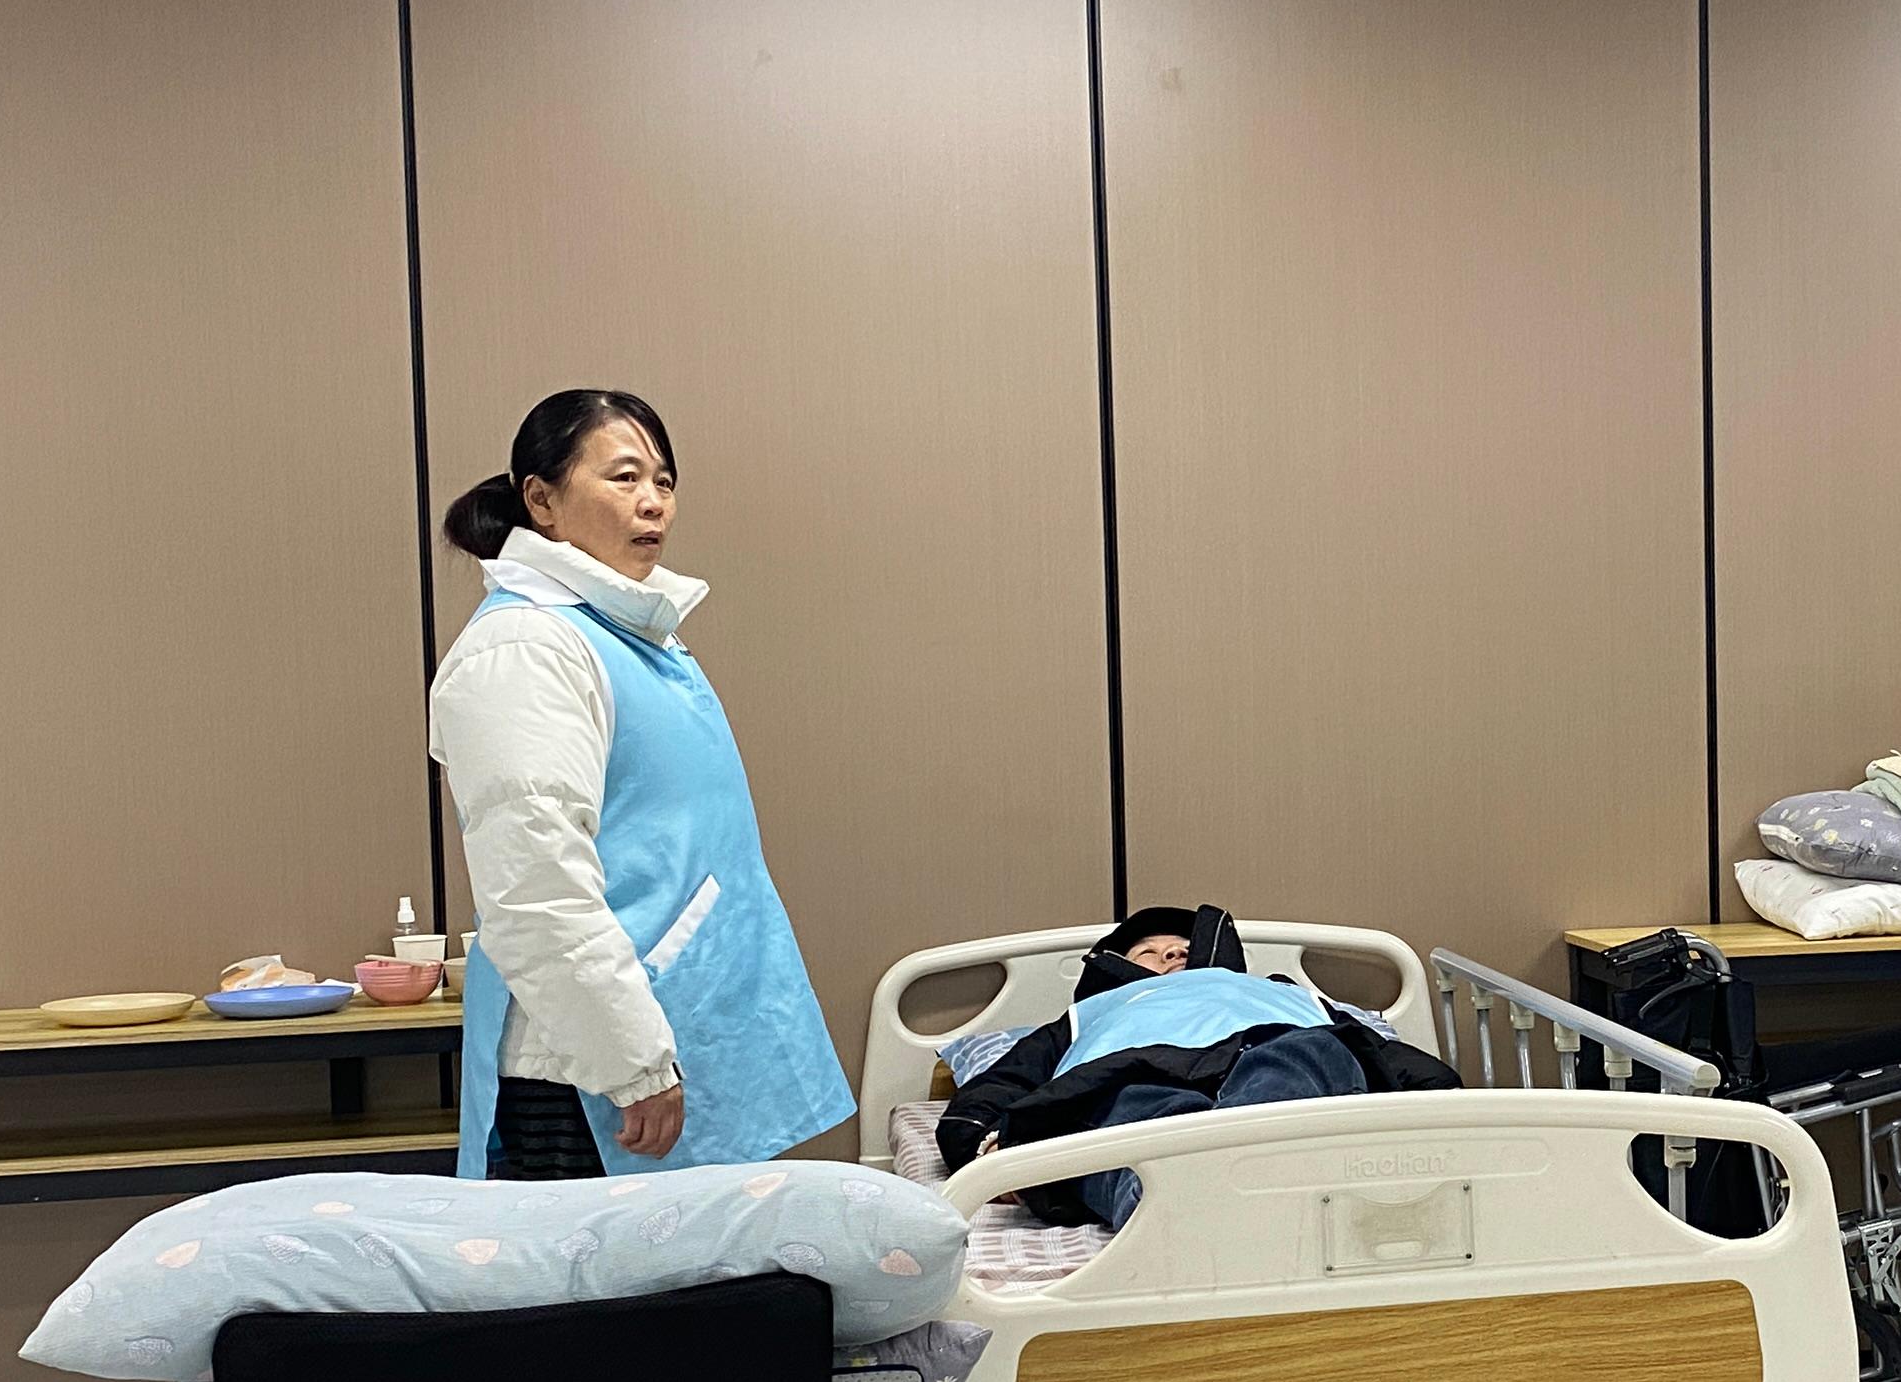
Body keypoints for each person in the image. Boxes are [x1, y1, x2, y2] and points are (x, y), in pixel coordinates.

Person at [427, 387, 850, 1182]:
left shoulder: (630, 634)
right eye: (624, 478)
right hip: (588, 1074)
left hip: (668, 1037)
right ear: (541, 501)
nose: (652, 502)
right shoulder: (524, 649)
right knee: (595, 1268)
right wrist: (632, 1061)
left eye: (664, 480)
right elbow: (535, 886)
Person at [939, 905, 1459, 1226]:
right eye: (1148, 952)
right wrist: (984, 1151)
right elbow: (995, 1088)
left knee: (1303, 1057)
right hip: (1129, 1073)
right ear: (1115, 969)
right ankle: (1204, 1199)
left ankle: (1217, 1196)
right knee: (1135, 1109)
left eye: (1182, 948)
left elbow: (1400, 1062)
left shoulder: (1282, 993)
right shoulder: (1086, 1016)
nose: (1169, 956)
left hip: (1271, 1049)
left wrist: (1445, 1114)